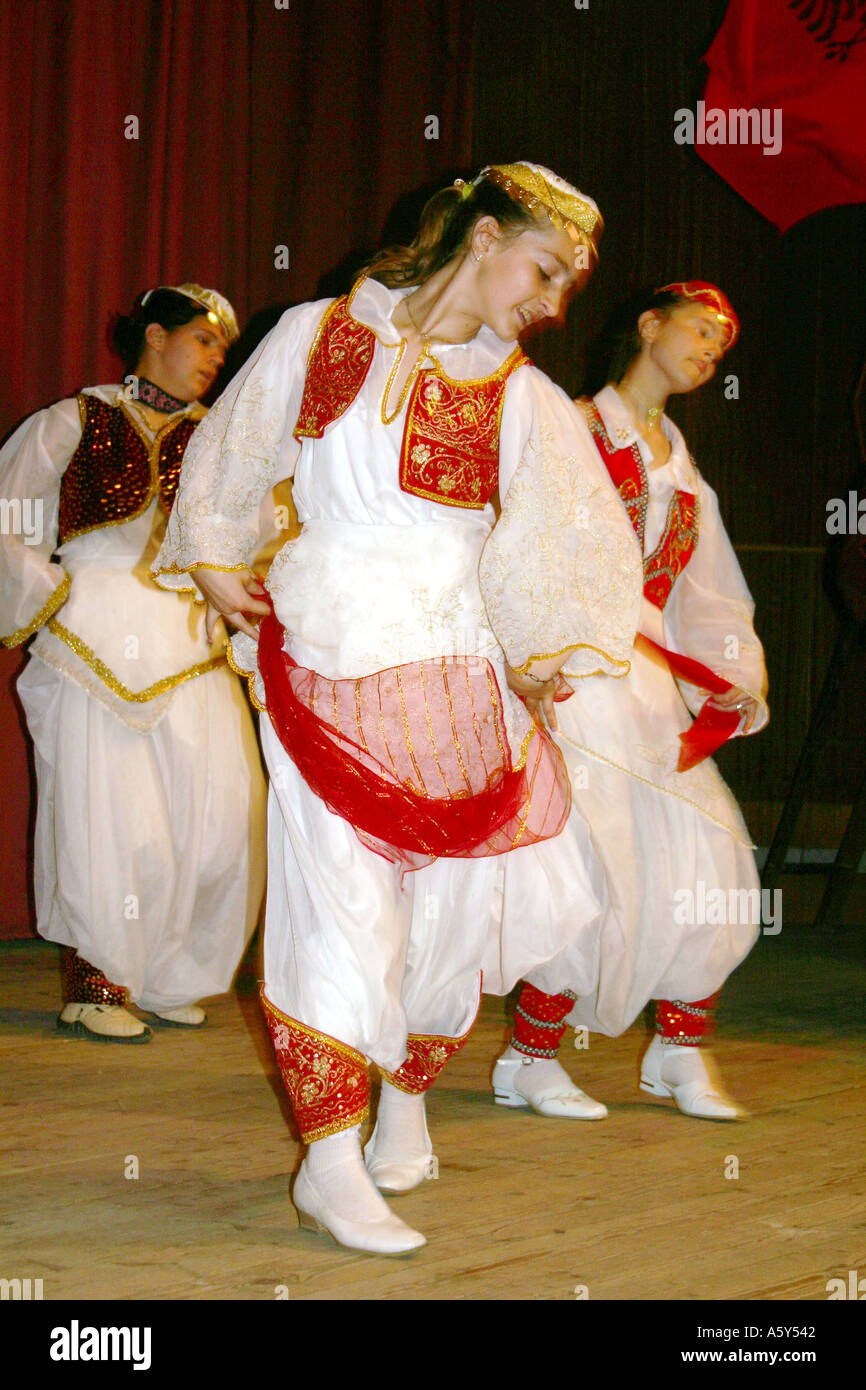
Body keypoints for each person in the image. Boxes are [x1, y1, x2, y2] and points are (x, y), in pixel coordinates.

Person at [153, 165, 642, 1253]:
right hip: (322, 651)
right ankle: (328, 1161)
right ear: (480, 237)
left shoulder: (517, 394)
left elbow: (567, 538)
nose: (553, 302)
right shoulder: (317, 336)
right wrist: (215, 560)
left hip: (455, 674)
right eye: (545, 269)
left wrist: (541, 652)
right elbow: (231, 458)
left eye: (566, 284)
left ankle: (405, 1096)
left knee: (449, 911)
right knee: (338, 901)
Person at [482, 282, 769, 1122]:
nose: (713, 349)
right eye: (701, 328)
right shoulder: (567, 425)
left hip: (645, 689)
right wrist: (529, 657)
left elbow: (708, 593)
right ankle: (531, 1058)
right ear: (647, 325)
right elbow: (514, 540)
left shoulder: (679, 467)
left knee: (707, 858)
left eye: (725, 341)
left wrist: (733, 674)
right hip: (571, 671)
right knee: (593, 862)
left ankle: (678, 1048)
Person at [0, 284, 267, 1043]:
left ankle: (168, 972)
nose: (217, 358)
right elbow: (7, 512)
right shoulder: (74, 419)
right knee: (111, 817)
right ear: (154, 335)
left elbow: (253, 536)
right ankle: (96, 982)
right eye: (204, 340)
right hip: (96, 634)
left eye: (223, 347)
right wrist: (49, 598)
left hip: (189, 638)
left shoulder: (217, 439)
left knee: (217, 813)